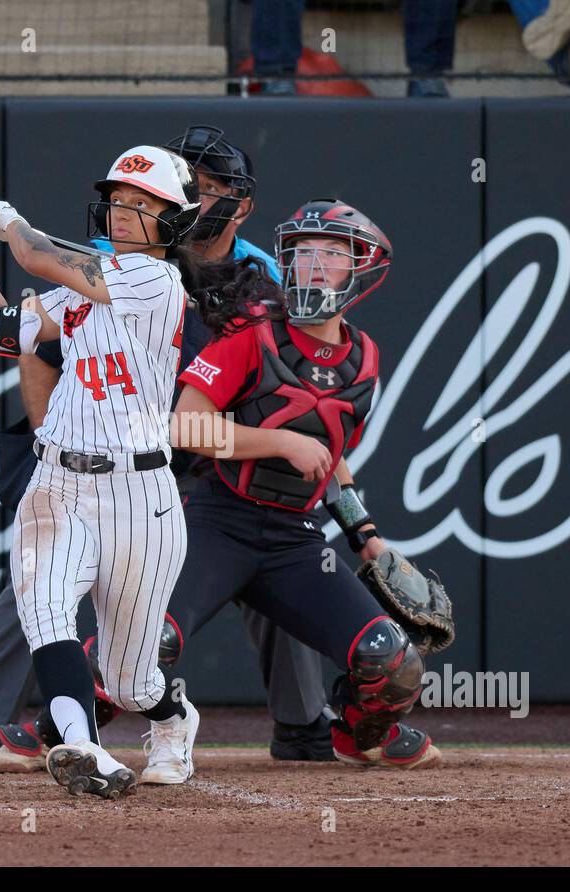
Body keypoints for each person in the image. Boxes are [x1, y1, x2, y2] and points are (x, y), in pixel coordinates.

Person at [0, 127, 337, 774]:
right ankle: (80, 743)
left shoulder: (155, 282)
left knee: (131, 679)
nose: (124, 212)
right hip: (62, 484)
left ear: (172, 220)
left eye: (142, 203)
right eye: (118, 198)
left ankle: (171, 716)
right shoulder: (86, 286)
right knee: (45, 611)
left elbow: (40, 255)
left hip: (140, 492)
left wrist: (4, 218)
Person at [163, 198, 442, 770]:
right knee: (149, 643)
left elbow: (332, 460)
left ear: (361, 269)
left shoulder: (364, 357)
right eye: (303, 251)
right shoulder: (252, 332)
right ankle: (52, 730)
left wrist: (367, 536)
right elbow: (184, 425)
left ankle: (359, 737)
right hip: (217, 519)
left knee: (394, 665)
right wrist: (280, 443)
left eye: (332, 253)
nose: (314, 263)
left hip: (295, 539)